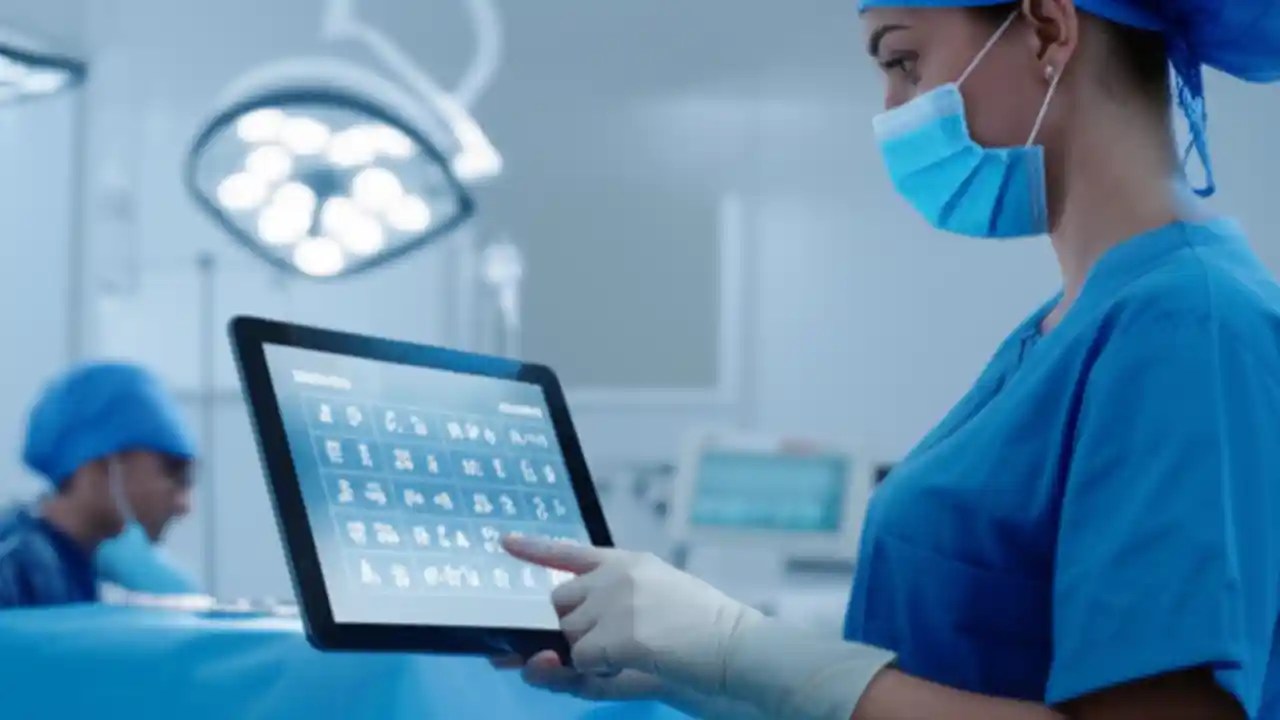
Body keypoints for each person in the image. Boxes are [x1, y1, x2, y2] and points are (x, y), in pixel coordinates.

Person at [496, 1, 1280, 718]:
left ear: (1047, 29)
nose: (892, 110)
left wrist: (739, 646)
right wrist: (690, 669)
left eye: (903, 62)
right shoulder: (1064, 328)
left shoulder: (1190, 322)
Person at [0, 362, 199, 608]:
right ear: (102, 466)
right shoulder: (17, 568)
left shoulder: (73, 566)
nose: (184, 505)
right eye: (174, 472)